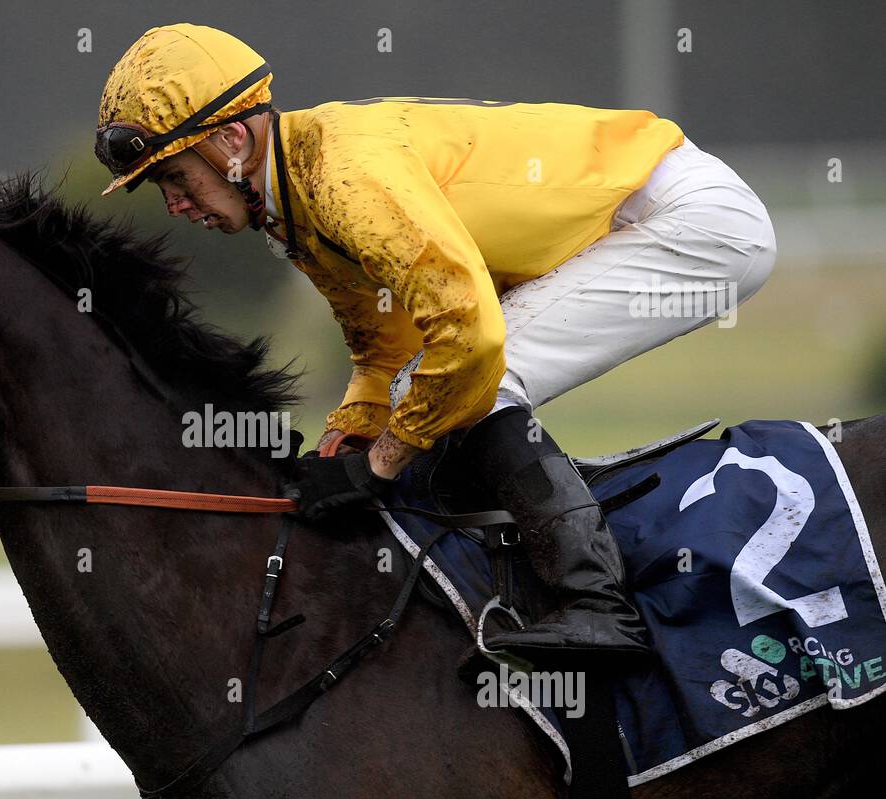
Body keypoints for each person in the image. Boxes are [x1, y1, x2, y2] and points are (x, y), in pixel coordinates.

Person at [93, 23, 776, 667]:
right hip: (650, 211)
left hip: (689, 222)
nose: (176, 205)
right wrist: (345, 443)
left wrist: (382, 463)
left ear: (234, 139)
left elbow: (470, 337)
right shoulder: (295, 198)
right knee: (423, 391)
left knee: (477, 382)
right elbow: (384, 348)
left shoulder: (342, 177)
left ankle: (599, 603)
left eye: (176, 178)